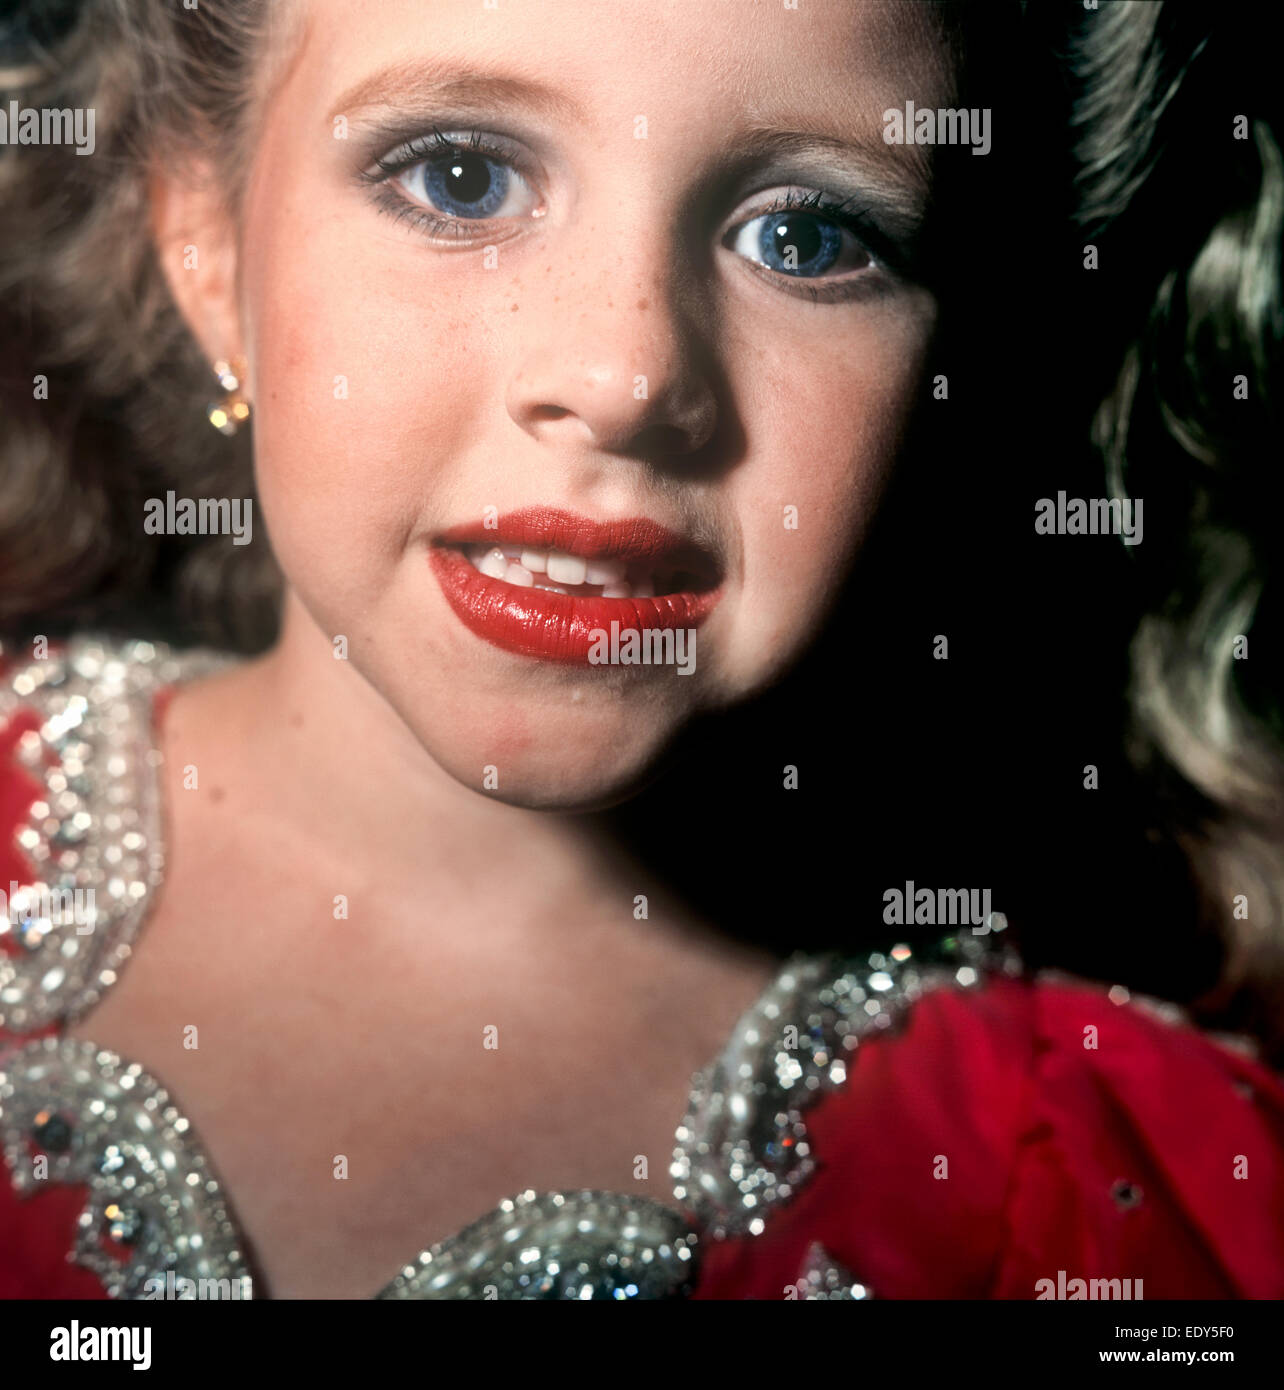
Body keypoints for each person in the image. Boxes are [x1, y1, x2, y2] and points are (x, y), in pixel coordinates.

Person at [0, 0, 1281, 1301]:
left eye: (806, 236)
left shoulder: (1089, 1199)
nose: (624, 372)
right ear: (208, 242)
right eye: (460, 176)